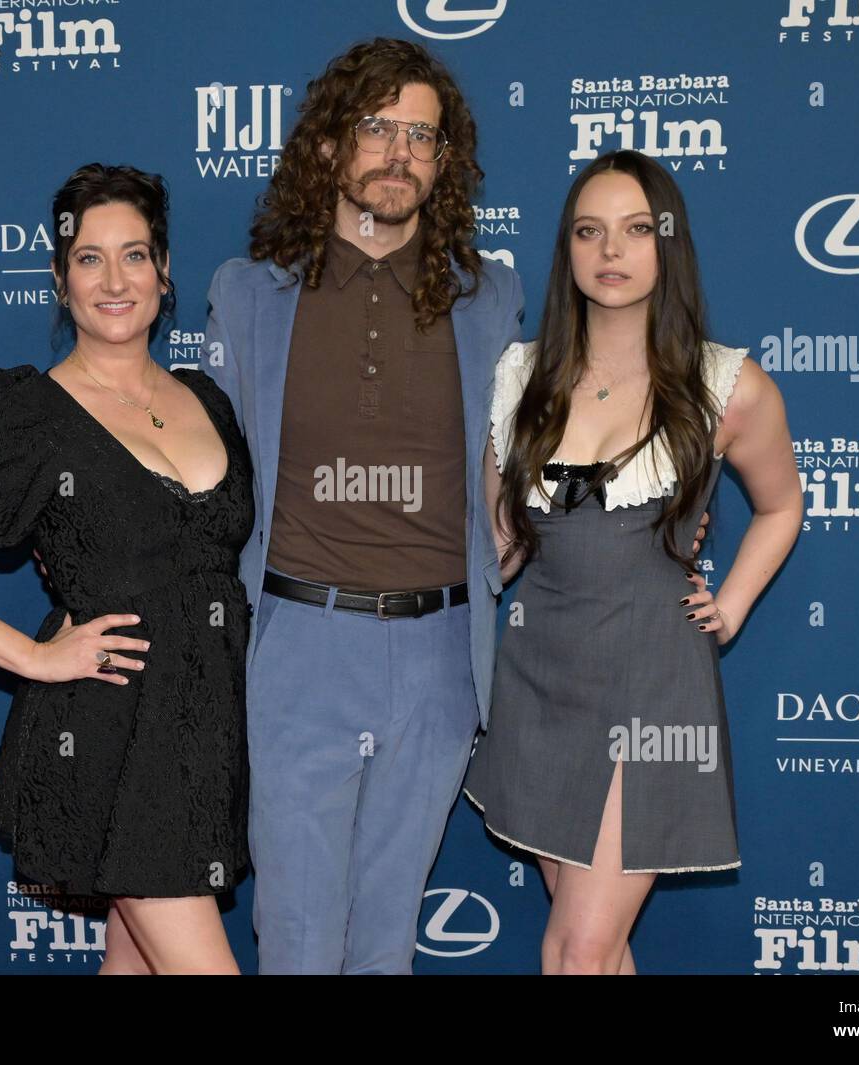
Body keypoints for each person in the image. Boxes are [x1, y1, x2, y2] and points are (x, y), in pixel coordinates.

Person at [0, 163, 254, 975]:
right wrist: (38, 657)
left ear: (164, 270)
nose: (114, 279)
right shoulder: (30, 414)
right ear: (58, 276)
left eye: (135, 254)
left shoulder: (207, 399)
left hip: (206, 729)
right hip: (110, 731)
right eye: (89, 258)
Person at [199, 37, 522, 974]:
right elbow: (196, 461)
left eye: (421, 136)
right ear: (331, 147)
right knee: (297, 934)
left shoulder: (488, 295)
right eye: (377, 127)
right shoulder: (248, 292)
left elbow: (527, 444)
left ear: (444, 161)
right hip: (301, 641)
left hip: (440, 654)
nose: (399, 153)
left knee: (386, 939)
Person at [463, 149, 804, 974]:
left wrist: (733, 605)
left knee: (577, 949)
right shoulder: (519, 375)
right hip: (539, 678)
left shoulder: (727, 382)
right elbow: (496, 544)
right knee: (601, 948)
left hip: (656, 684)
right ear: (567, 249)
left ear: (669, 243)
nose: (610, 252)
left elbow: (782, 503)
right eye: (589, 232)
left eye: (635, 230)